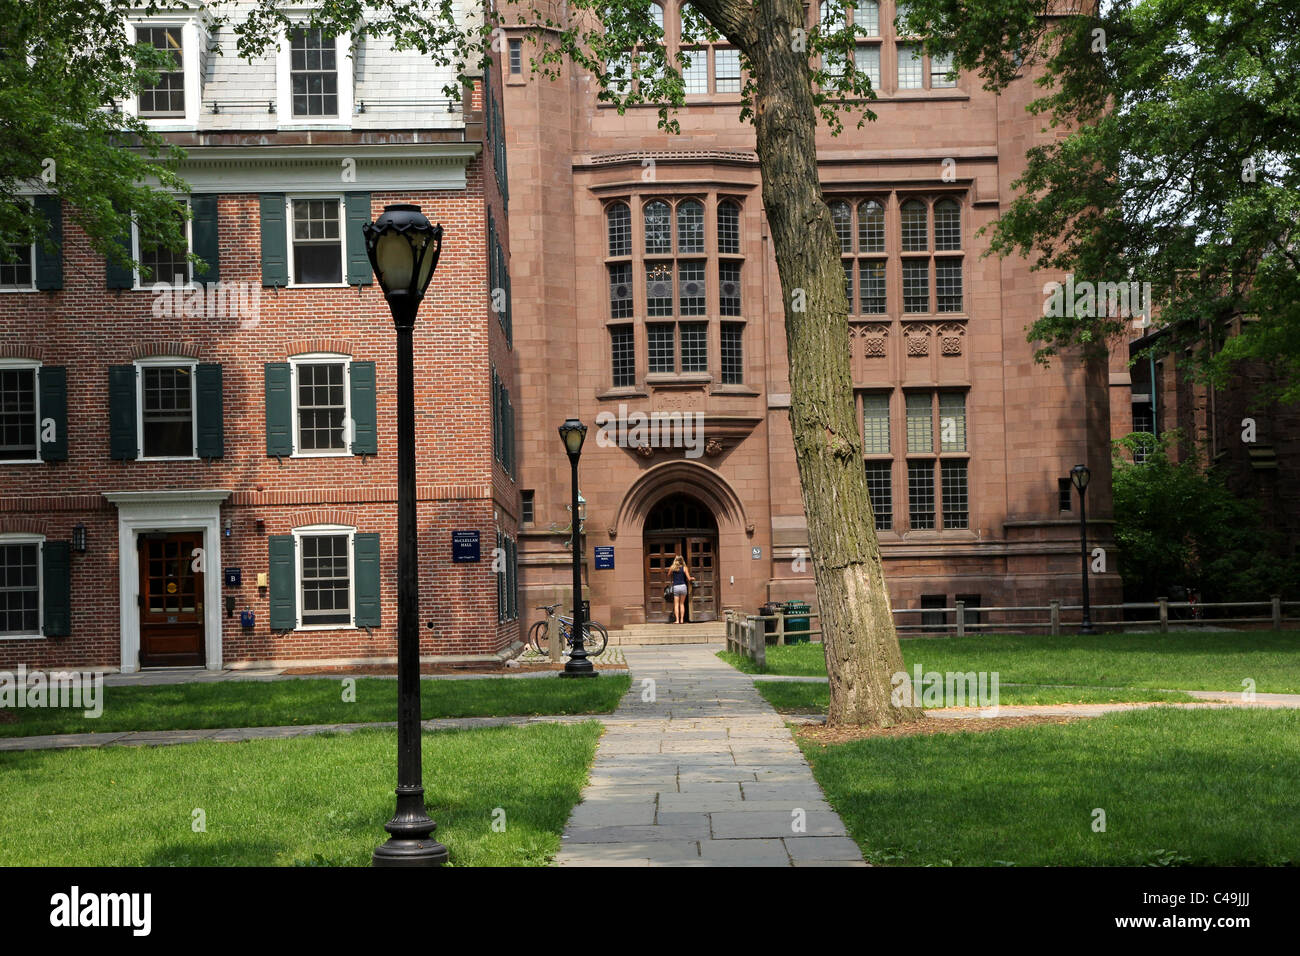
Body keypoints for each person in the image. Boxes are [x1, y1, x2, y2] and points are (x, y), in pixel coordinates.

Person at [668, 554, 694, 624]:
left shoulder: (672, 567)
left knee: (676, 605)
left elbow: (668, 574)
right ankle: (682, 620)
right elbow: (689, 579)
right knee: (682, 604)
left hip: (676, 586)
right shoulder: (685, 568)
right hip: (683, 586)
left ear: (675, 560)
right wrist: (692, 578)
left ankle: (677, 620)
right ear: (682, 560)